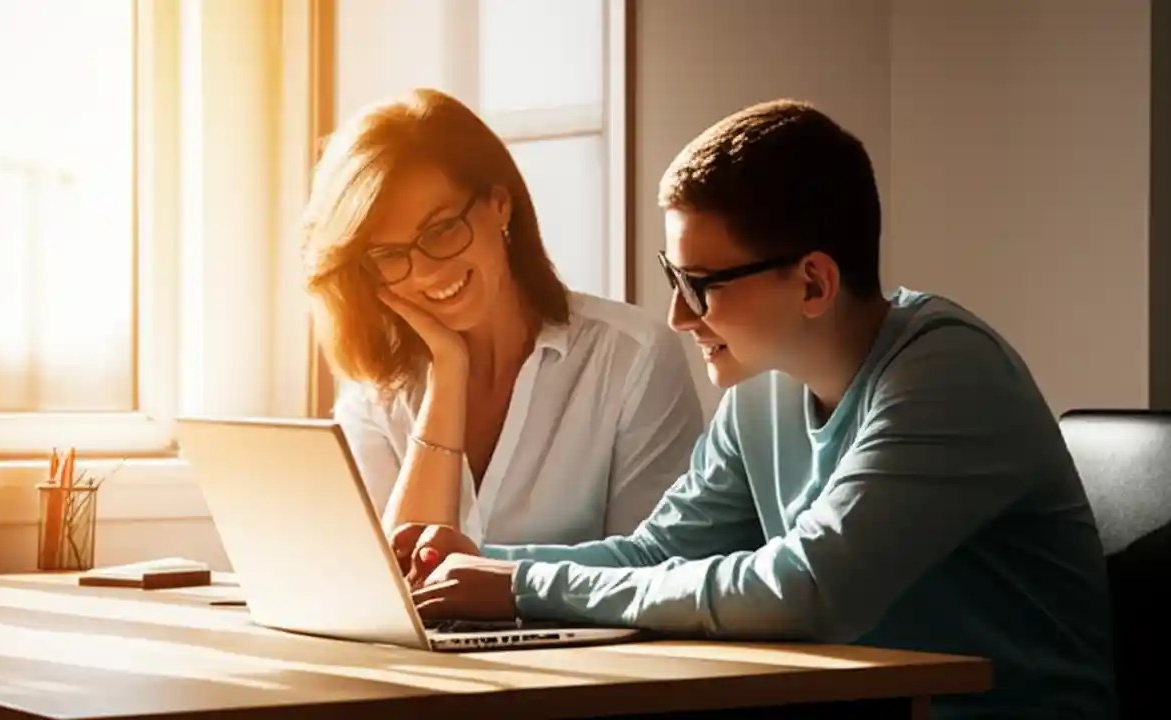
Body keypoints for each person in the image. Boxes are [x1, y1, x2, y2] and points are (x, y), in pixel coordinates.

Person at [392, 100, 1118, 718]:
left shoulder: (948, 375)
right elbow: (659, 554)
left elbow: (804, 590)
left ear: (812, 284)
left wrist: (522, 585)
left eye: (702, 284)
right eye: (670, 276)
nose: (678, 315)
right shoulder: (761, 385)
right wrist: (477, 566)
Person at [300, 89, 703, 548]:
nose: (427, 270)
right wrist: (448, 374)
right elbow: (397, 584)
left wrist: (495, 581)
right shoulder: (376, 396)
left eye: (442, 229)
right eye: (390, 254)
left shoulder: (632, 357)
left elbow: (652, 569)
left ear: (499, 204)